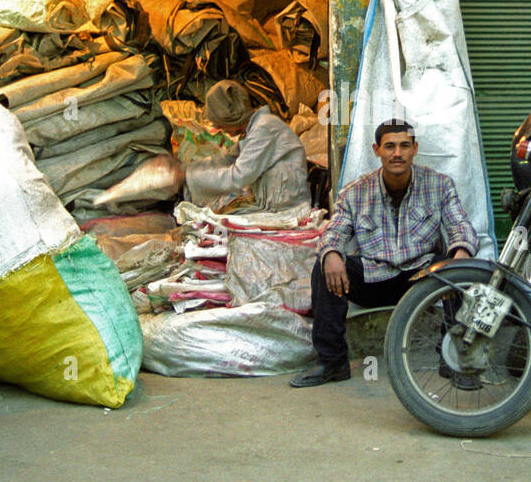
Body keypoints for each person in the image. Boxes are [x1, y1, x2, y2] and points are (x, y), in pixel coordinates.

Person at [291, 119, 477, 387]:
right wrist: (330, 253)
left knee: (459, 268)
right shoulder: (354, 193)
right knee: (325, 267)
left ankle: (454, 361)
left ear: (415, 148)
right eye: (389, 146)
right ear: (376, 149)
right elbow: (334, 233)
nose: (397, 153)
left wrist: (459, 253)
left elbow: (460, 225)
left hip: (420, 279)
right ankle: (332, 363)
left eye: (404, 146)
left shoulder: (439, 185)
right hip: (372, 278)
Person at [182, 79, 310, 212]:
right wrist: (188, 171)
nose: (218, 128)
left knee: (211, 222)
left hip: (286, 210)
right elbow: (227, 160)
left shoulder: (265, 128)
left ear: (233, 118)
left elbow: (238, 177)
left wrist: (190, 178)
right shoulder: (252, 131)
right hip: (271, 205)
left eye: (220, 124)